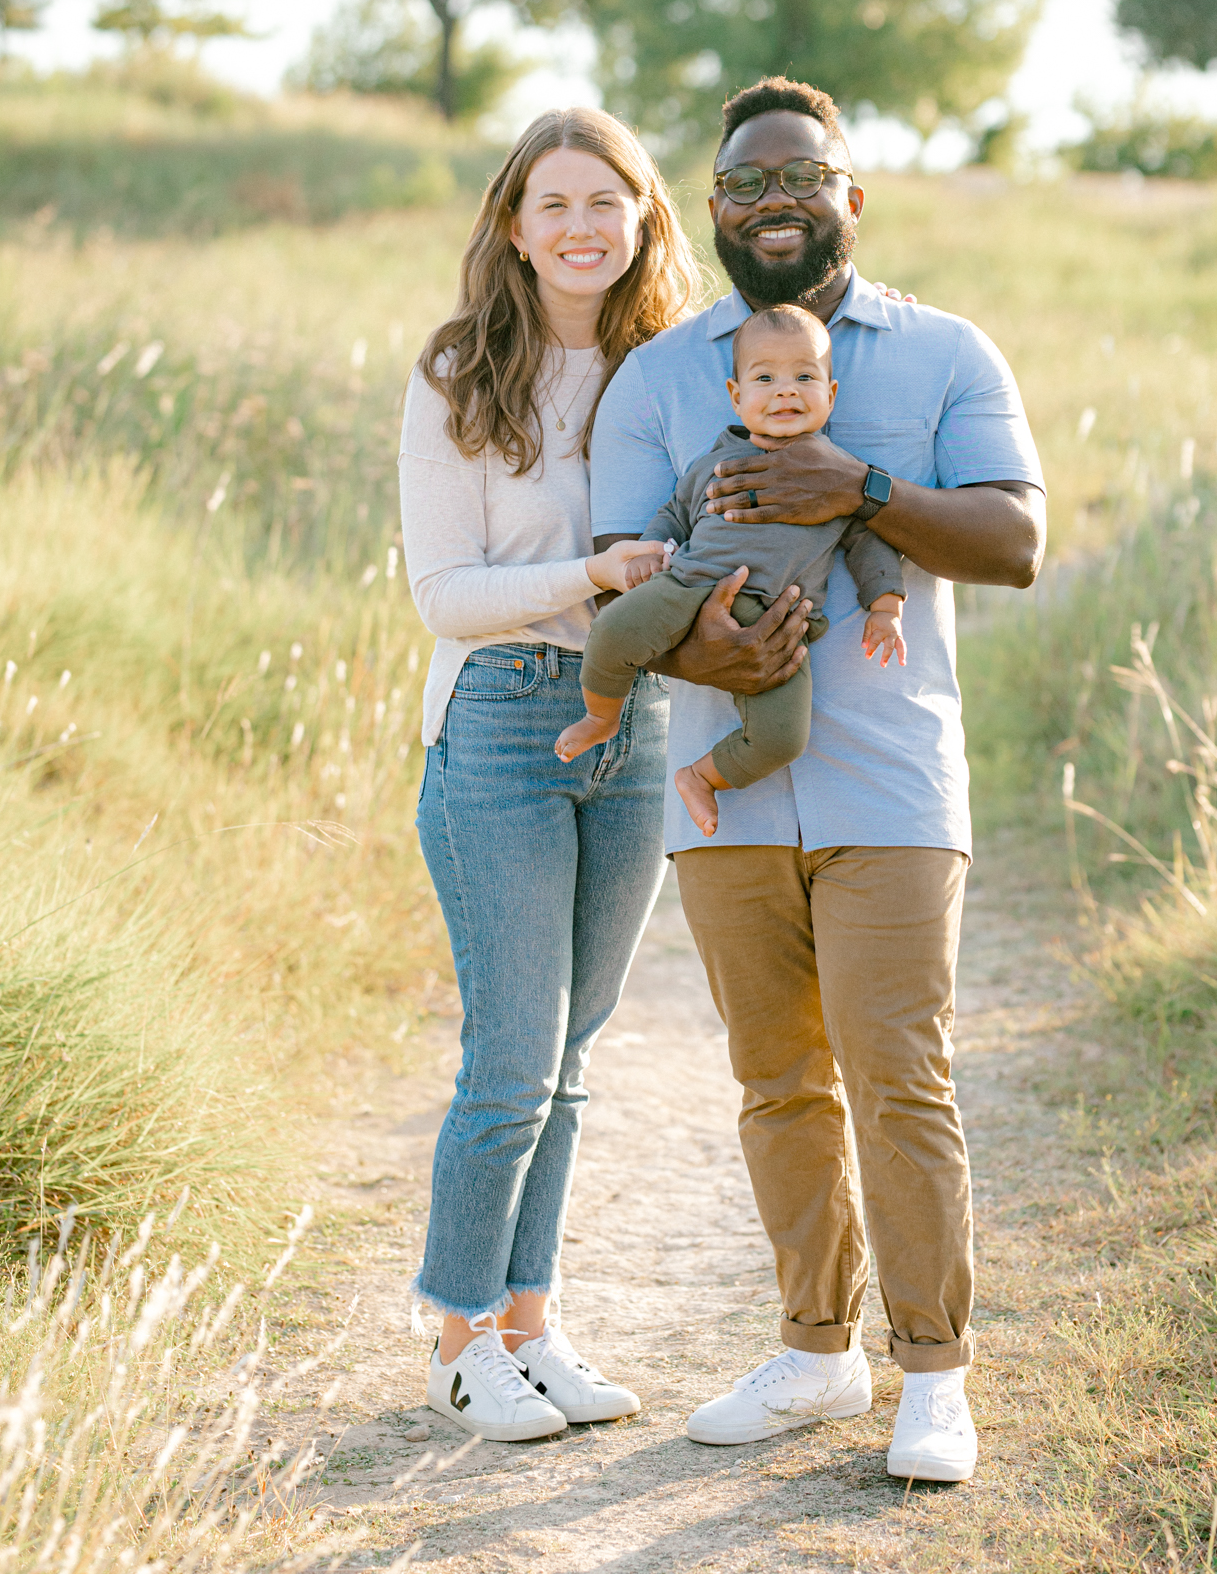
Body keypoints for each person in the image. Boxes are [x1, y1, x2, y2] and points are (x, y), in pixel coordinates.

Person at [589, 76, 1046, 1482]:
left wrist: (859, 489)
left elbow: (1014, 543)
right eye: (746, 183)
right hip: (722, 790)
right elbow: (623, 568)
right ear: (712, 209)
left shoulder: (947, 352)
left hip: (891, 785)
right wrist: (706, 651)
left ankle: (935, 1377)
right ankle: (815, 1351)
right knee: (776, 1079)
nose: (775, 202)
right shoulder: (659, 377)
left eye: (802, 178)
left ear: (852, 197)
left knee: (899, 1077)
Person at [400, 107, 702, 1442]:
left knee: (572, 1056)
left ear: (643, 217)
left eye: (605, 200)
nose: (582, 226)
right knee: (513, 1058)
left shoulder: (673, 368)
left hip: (635, 725)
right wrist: (588, 573)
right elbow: (442, 595)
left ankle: (532, 1325)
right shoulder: (461, 370)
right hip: (503, 719)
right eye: (554, 203)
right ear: (515, 228)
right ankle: (460, 1341)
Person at [555, 305, 906, 838]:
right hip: (690, 584)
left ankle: (702, 776)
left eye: (804, 377)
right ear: (736, 396)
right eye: (765, 379)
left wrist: (885, 606)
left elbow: (868, 545)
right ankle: (601, 717)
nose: (785, 391)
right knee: (612, 628)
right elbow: (677, 511)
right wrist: (651, 549)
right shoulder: (716, 461)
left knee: (784, 738)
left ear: (830, 394)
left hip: (778, 620)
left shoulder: (838, 473)